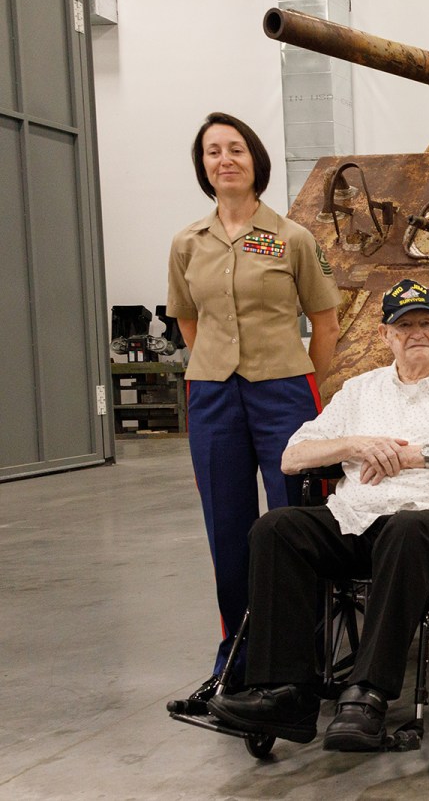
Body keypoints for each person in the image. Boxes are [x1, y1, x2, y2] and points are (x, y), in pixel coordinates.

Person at [208, 279, 429, 751]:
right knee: (276, 529)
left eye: (426, 323)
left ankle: (368, 693)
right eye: (404, 325)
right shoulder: (360, 391)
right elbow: (292, 457)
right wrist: (358, 444)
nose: (416, 333)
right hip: (357, 516)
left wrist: (419, 455)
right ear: (385, 336)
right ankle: (284, 691)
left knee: (407, 528)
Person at [165, 113, 342, 716]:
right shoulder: (188, 241)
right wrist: (215, 363)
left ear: (255, 159)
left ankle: (300, 667)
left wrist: (311, 386)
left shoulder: (293, 237)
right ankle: (234, 668)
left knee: (295, 525)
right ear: (204, 166)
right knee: (228, 531)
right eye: (213, 152)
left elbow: (325, 321)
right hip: (214, 397)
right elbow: (187, 319)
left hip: (285, 393)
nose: (225, 160)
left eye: (235, 148)